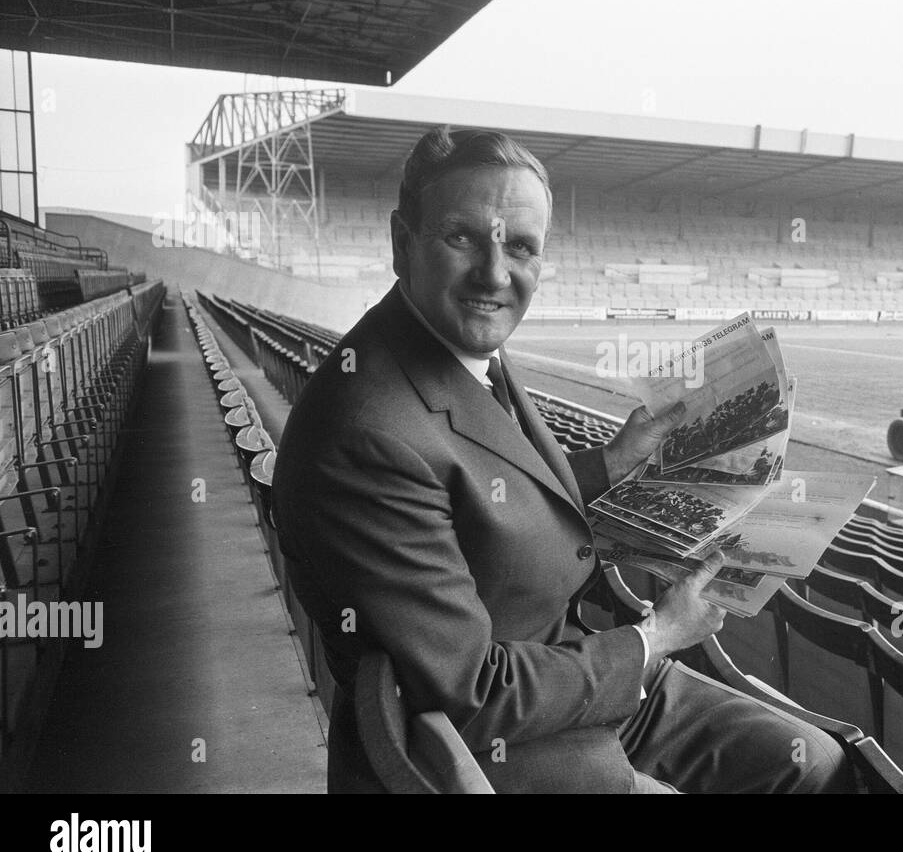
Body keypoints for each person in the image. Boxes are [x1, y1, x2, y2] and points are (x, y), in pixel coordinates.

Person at [272, 126, 854, 793]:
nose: (494, 273)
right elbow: (474, 692)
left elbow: (480, 496)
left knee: (811, 758)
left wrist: (609, 463)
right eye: (462, 237)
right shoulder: (363, 434)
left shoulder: (454, 340)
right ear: (403, 243)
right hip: (506, 741)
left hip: (567, 674)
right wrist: (656, 634)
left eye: (520, 246)